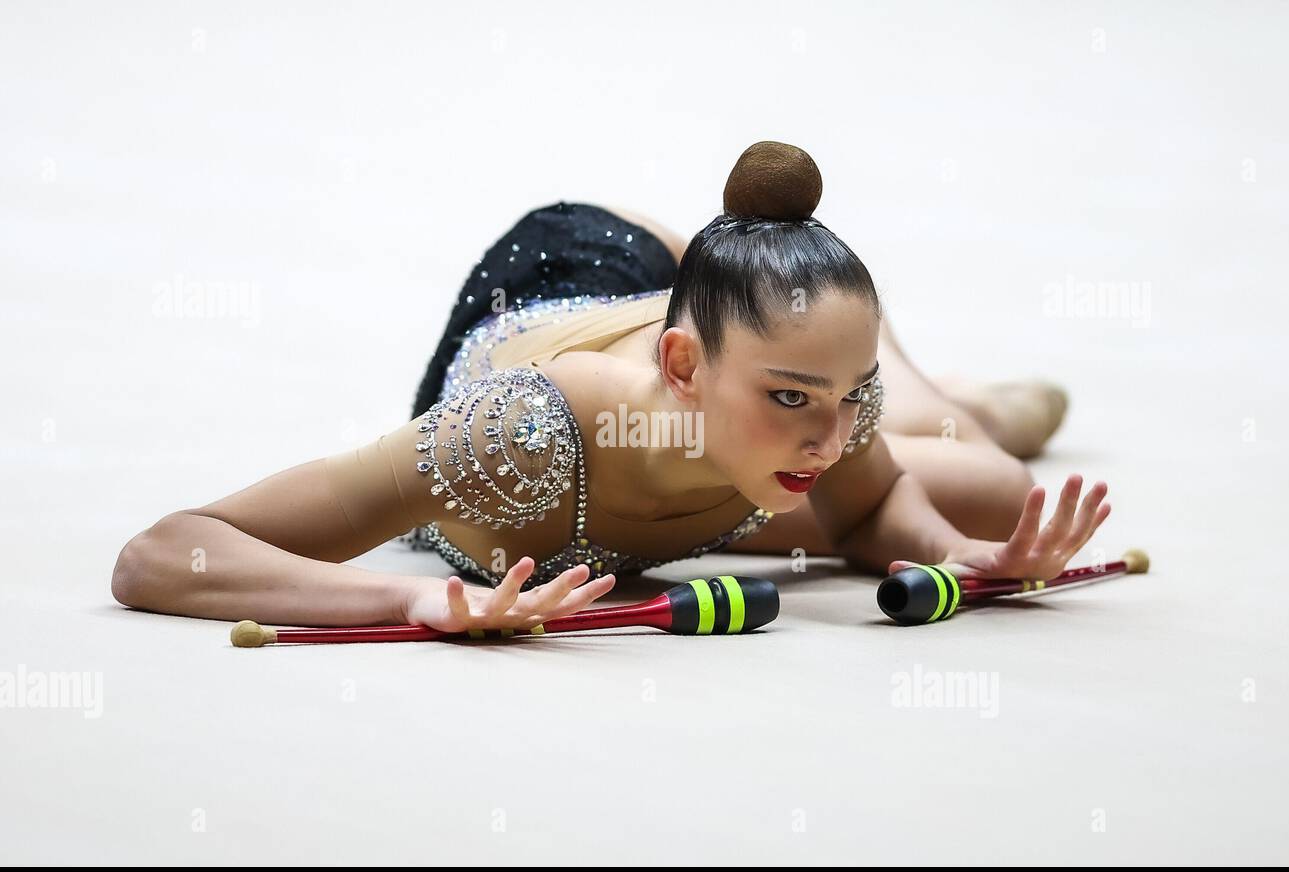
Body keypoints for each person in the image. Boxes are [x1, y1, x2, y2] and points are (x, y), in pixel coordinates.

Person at [112, 141, 1109, 632]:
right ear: (683, 369)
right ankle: (942, 397)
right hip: (573, 270)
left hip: (686, 352)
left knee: (1001, 491)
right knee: (959, 462)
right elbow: (161, 555)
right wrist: (413, 601)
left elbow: (874, 507)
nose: (831, 435)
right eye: (797, 397)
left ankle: (949, 394)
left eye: (853, 395)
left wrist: (958, 553)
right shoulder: (517, 438)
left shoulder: (826, 423)